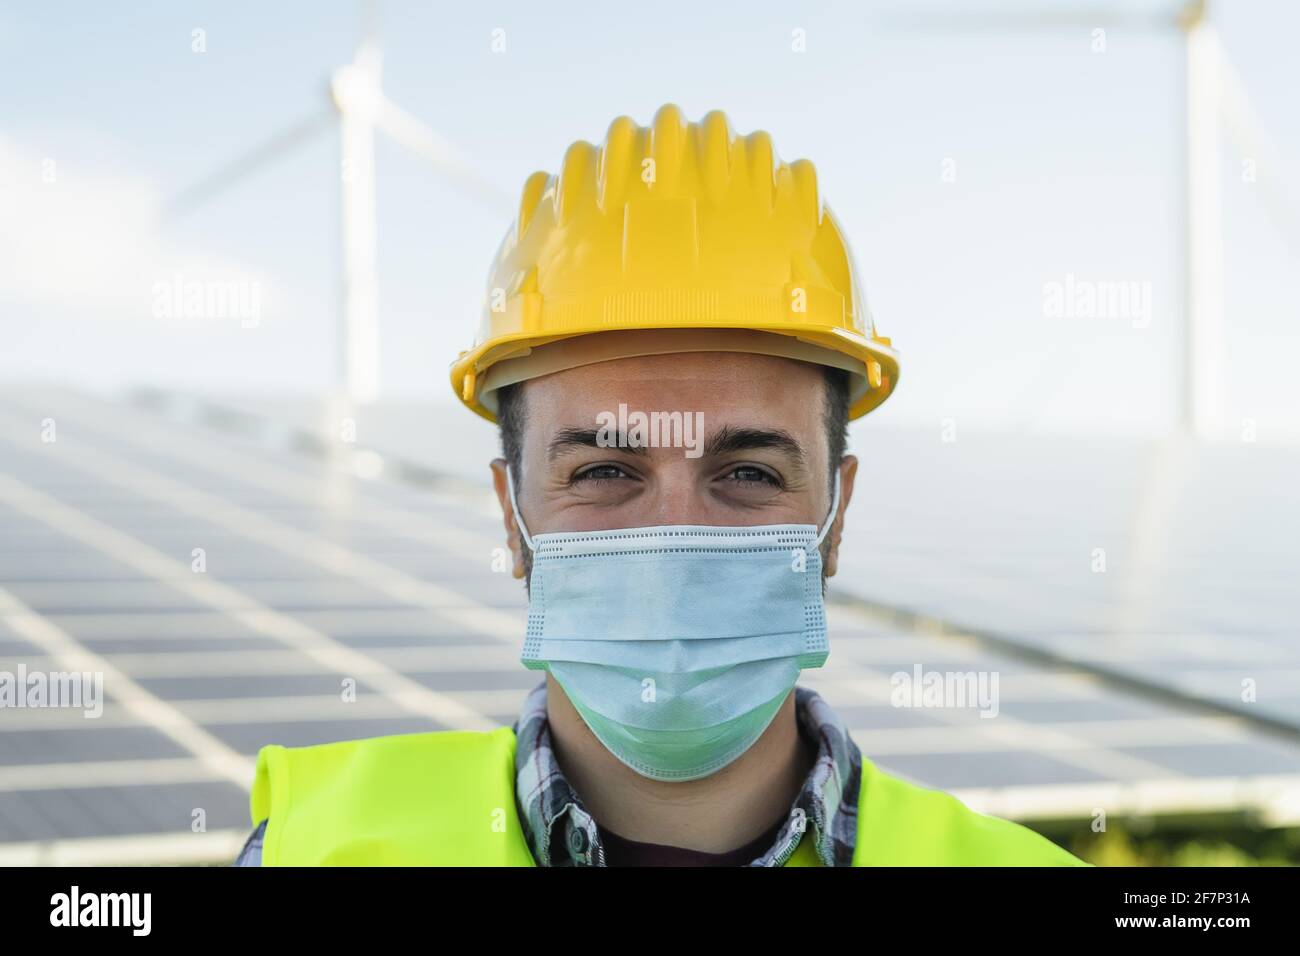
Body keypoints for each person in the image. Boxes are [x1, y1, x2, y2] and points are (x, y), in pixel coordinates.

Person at [234, 104, 1084, 866]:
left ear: (836, 512)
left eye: (747, 473)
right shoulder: (312, 851)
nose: (679, 534)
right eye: (605, 471)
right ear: (511, 512)